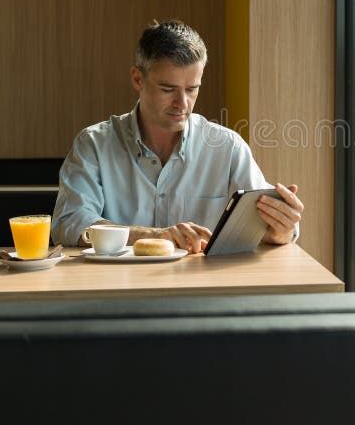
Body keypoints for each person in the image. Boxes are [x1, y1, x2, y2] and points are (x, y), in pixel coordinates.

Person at [52, 20, 303, 253]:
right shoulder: (94, 144)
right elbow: (68, 224)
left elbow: (268, 230)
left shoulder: (227, 147)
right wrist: (152, 236)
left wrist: (281, 229)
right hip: (120, 293)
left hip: (202, 294)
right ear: (137, 79)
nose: (181, 103)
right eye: (168, 89)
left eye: (192, 89)